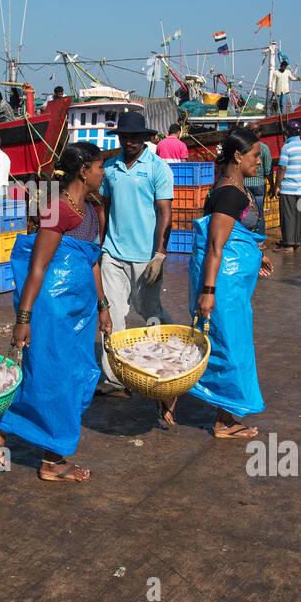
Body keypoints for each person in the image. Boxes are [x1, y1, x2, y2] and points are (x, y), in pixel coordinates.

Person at [0, 143, 111, 482]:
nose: (103, 173)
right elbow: (37, 267)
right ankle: (52, 460)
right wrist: (23, 319)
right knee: (57, 379)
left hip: (80, 313)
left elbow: (92, 262)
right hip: (52, 312)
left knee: (79, 375)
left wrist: (103, 305)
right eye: (99, 167)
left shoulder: (92, 210)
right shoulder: (55, 211)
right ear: (84, 171)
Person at [189, 128, 274, 438]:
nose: (259, 162)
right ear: (238, 156)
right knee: (229, 348)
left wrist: (255, 254)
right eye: (255, 156)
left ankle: (225, 416)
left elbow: (235, 235)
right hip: (222, 287)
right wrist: (209, 292)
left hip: (231, 284)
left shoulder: (233, 187)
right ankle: (220, 419)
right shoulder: (229, 192)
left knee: (227, 345)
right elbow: (215, 244)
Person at [96, 112, 173, 394]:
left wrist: (160, 254)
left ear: (145, 138)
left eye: (135, 136)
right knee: (112, 315)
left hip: (146, 256)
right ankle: (114, 376)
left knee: (149, 311)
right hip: (112, 254)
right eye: (124, 136)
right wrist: (101, 244)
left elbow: (165, 213)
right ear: (119, 138)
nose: (129, 141)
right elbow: (104, 207)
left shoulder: (157, 167)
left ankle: (173, 353)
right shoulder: (111, 167)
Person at [273, 127, 301, 251]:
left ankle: (289, 244)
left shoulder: (286, 148)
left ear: (287, 135)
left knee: (288, 216)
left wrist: (277, 185)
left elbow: (282, 168)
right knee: (299, 216)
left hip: (288, 189)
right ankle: (296, 241)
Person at [243, 134, 273, 236]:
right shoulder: (264, 147)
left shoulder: (245, 147)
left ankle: (247, 237)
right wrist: (272, 185)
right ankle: (259, 239)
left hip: (245, 184)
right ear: (260, 133)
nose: (258, 161)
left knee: (245, 213)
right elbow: (268, 169)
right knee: (259, 212)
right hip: (259, 184)